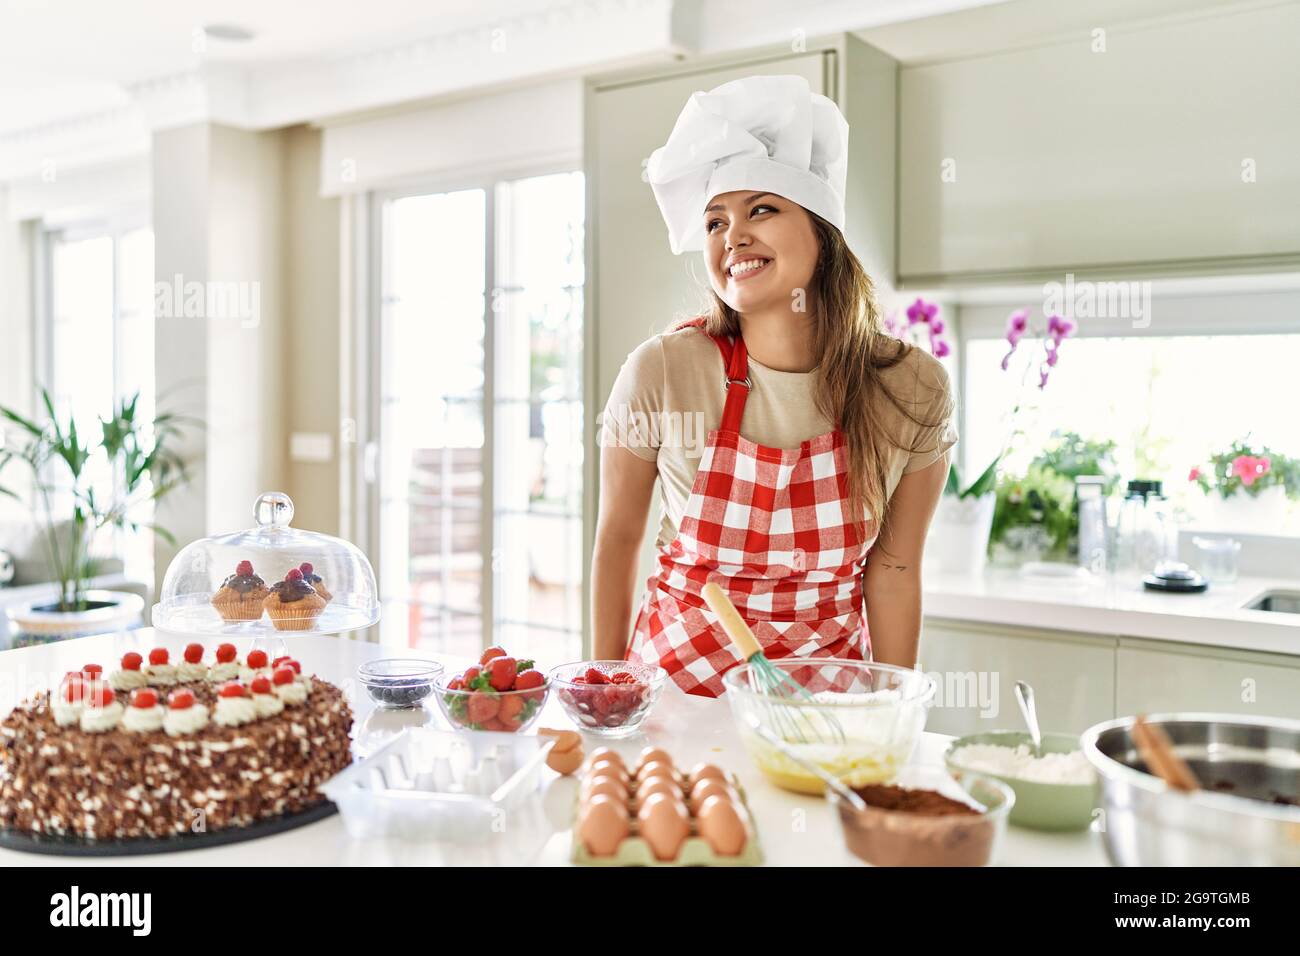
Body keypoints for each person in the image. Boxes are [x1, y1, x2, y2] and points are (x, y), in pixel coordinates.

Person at [592, 74, 956, 697]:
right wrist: (604, 690)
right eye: (714, 221)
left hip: (828, 706)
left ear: (823, 233)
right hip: (679, 699)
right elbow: (619, 538)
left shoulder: (912, 387)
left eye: (761, 209)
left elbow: (893, 569)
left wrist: (894, 710)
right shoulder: (662, 372)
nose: (732, 236)